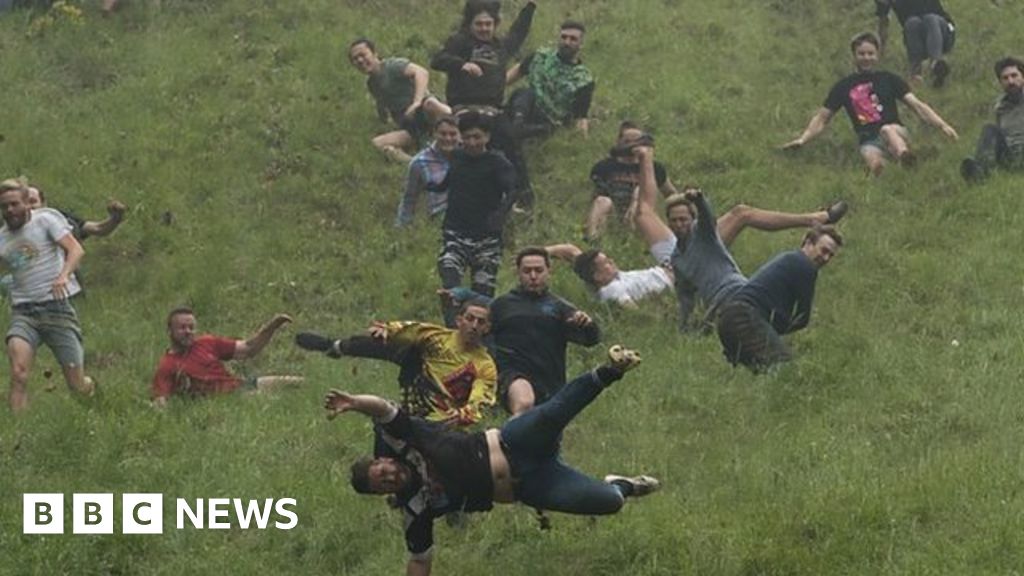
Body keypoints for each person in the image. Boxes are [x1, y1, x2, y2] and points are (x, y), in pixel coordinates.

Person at [326, 344, 656, 576]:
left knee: (552, 415)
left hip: (513, 442)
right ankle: (620, 485)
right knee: (608, 502)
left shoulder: (406, 439)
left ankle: (610, 369)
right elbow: (419, 560)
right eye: (384, 482)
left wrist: (354, 402)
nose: (391, 475)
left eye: (386, 469)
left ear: (384, 459)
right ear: (383, 492)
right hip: (530, 485)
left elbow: (381, 409)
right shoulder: (415, 508)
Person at [294, 299, 497, 427]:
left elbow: (480, 400)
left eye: (481, 322)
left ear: (487, 328)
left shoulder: (484, 365)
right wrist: (387, 330)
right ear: (459, 320)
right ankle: (336, 346)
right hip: (417, 389)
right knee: (401, 345)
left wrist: (463, 416)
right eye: (470, 319)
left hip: (443, 418)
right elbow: (411, 329)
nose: (474, 326)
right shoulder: (437, 337)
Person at [782, 32, 958, 176]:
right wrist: (802, 139)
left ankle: (905, 157)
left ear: (877, 55)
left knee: (886, 130)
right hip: (868, 140)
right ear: (854, 56)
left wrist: (943, 125)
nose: (866, 58)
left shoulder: (889, 79)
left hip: (896, 132)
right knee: (873, 161)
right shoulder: (844, 86)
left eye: (870, 53)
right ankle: (893, 178)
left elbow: (917, 106)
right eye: (862, 54)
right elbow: (822, 118)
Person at [431, 0, 537, 207]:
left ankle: (522, 198)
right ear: (470, 24)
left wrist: (530, 7)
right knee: (472, 147)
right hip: (465, 109)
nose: (484, 29)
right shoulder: (460, 42)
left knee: (511, 144)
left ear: (495, 24)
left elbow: (518, 32)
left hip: (494, 112)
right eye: (479, 24)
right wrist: (462, 64)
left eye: (488, 24)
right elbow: (437, 60)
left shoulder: (501, 47)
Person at [0, 180, 92, 411]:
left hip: (56, 308)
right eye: (4, 207)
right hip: (24, 312)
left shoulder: (45, 220)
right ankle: (17, 437)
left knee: (77, 386)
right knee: (19, 373)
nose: (9, 211)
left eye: (14, 204)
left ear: (26, 205)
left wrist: (64, 275)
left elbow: (75, 249)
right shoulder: (2, 238)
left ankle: (91, 391)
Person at [487, 247, 600, 415]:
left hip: (550, 383)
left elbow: (590, 340)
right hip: (511, 375)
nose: (533, 276)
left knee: (547, 435)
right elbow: (481, 338)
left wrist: (587, 324)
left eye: (538, 270)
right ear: (518, 272)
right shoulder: (501, 306)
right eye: (527, 271)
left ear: (548, 271)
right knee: (525, 403)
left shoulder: (560, 307)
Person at [715, 225, 843, 372]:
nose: (826, 258)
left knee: (756, 372)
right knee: (785, 370)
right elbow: (801, 318)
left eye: (831, 255)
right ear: (808, 243)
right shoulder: (804, 265)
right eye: (824, 250)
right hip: (744, 316)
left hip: (728, 317)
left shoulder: (789, 258)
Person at [436, 111, 517, 323]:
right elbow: (447, 181)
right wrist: (433, 186)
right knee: (449, 284)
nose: (472, 142)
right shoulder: (456, 157)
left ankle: (478, 338)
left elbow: (513, 190)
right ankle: (451, 331)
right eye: (467, 137)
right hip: (456, 231)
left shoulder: (498, 162)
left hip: (487, 237)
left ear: (487, 137)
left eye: (477, 137)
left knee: (482, 296)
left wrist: (501, 214)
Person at [151, 308, 301, 407]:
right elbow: (161, 400)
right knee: (280, 401)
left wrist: (273, 326)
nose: (188, 331)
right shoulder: (168, 365)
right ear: (170, 331)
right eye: (182, 328)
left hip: (241, 385)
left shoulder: (206, 342)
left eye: (191, 327)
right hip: (227, 398)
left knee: (298, 383)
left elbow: (249, 349)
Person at [349, 38, 453, 163]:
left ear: (374, 53)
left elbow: (421, 73)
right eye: (355, 59)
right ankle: (420, 163)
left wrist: (416, 103)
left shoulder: (392, 66)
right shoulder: (371, 84)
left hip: (426, 111)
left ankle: (460, 128)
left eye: (363, 55)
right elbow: (382, 103)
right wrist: (384, 121)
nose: (360, 60)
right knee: (378, 143)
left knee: (432, 104)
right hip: (411, 126)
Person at [585, 123, 678, 243]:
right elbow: (595, 197)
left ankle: (631, 241)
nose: (632, 146)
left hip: (642, 212)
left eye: (636, 141)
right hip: (613, 212)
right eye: (627, 141)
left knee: (639, 192)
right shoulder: (604, 167)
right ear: (619, 143)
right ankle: (593, 239)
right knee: (603, 201)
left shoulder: (653, 168)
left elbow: (670, 194)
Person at [505, 20, 594, 139]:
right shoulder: (540, 56)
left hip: (548, 121)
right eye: (564, 37)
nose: (567, 42)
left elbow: (580, 117)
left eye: (573, 39)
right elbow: (512, 75)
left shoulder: (583, 79)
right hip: (524, 108)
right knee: (524, 93)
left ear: (581, 44)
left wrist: (580, 143)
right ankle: (517, 127)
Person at [961, 57, 1024, 182]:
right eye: (1005, 78)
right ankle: (980, 171)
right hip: (1011, 155)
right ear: (1000, 82)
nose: (1010, 81)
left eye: (1014, 75)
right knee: (989, 129)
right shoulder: (1000, 107)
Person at [395, 116, 460, 227]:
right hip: (441, 217)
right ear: (434, 134)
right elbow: (409, 198)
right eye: (443, 134)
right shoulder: (420, 162)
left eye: (453, 134)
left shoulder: (469, 156)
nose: (448, 138)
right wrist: (402, 227)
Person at [876, 0, 955, 87]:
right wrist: (880, 51)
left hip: (943, 32)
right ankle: (916, 73)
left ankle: (936, 64)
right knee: (911, 23)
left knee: (929, 18)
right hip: (917, 36)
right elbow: (883, 23)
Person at [25, 184, 127, 242]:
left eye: (33, 201)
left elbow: (98, 229)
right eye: (23, 202)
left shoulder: (59, 218)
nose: (28, 207)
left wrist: (115, 218)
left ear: (44, 204)